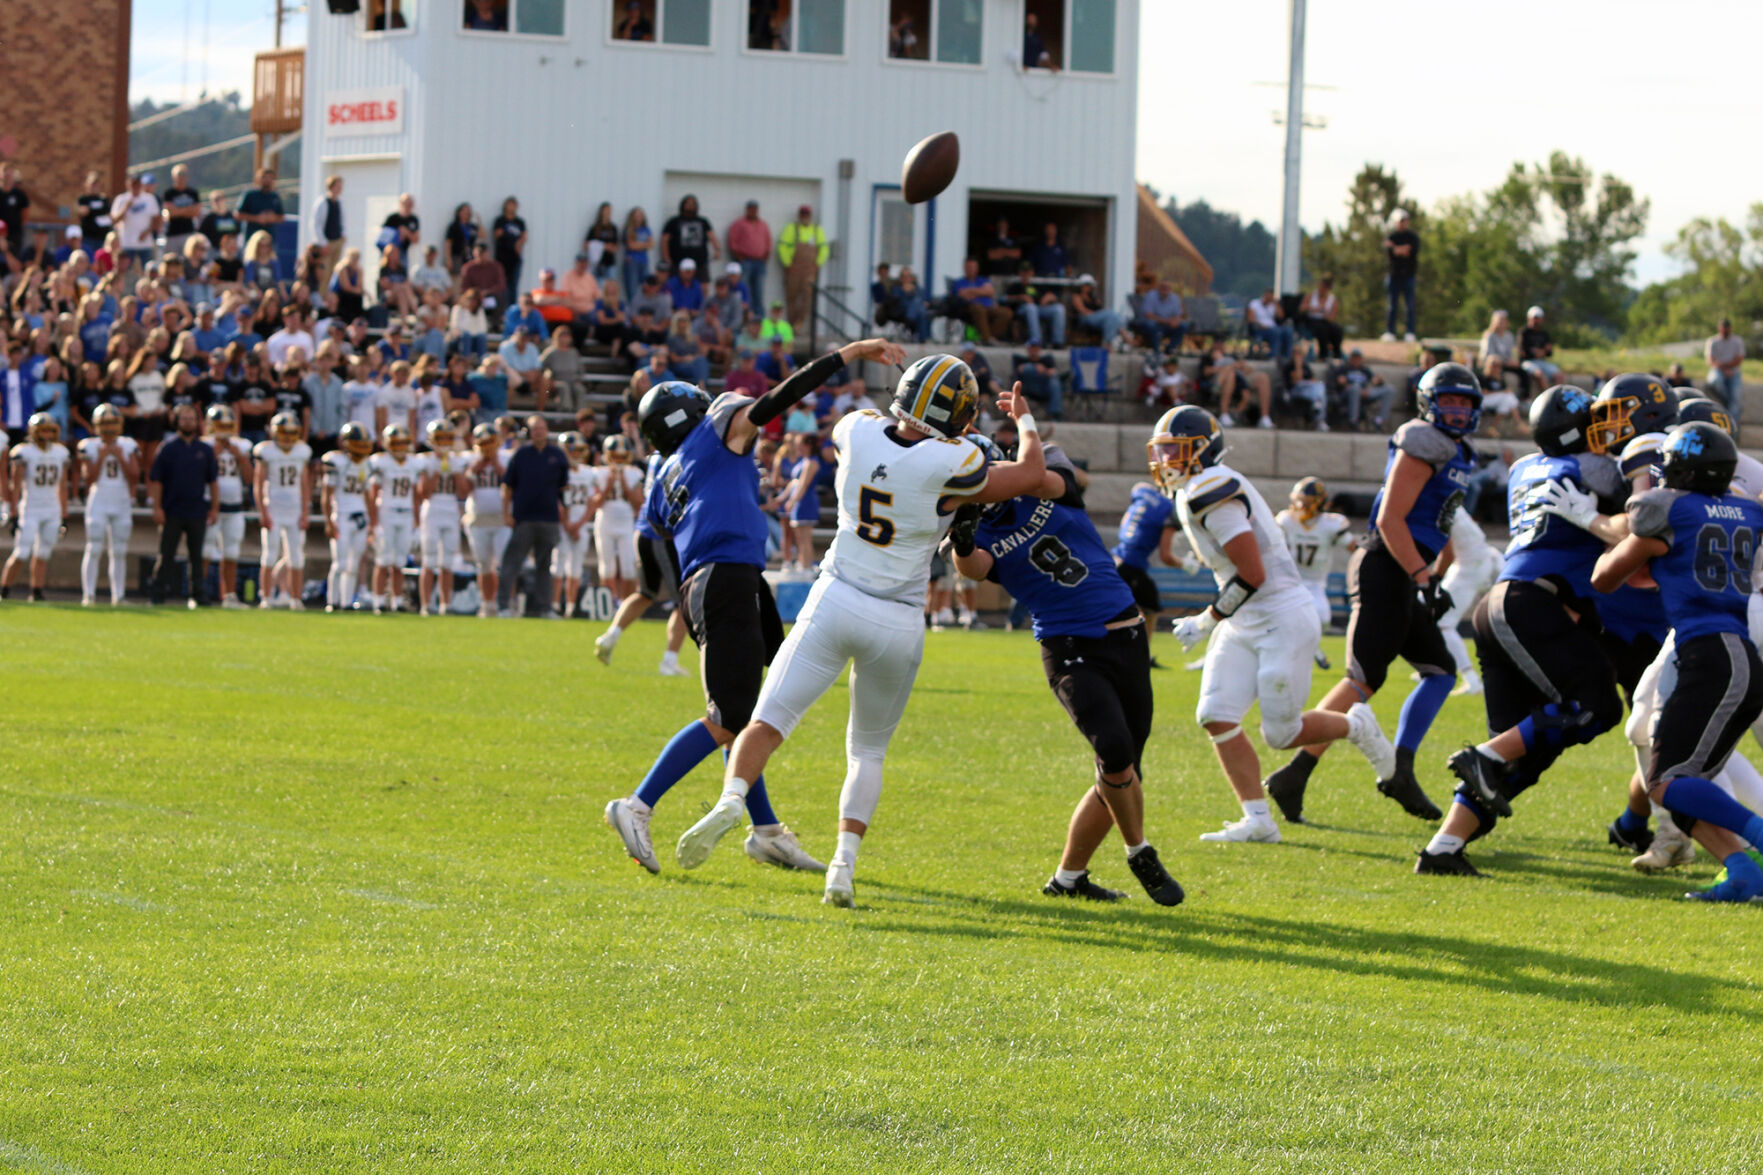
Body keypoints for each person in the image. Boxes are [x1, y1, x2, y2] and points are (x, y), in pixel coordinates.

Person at [673, 352, 1055, 907]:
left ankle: (733, 800)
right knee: (866, 752)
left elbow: (884, 442)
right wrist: (1024, 421)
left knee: (768, 720)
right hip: (896, 617)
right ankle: (842, 868)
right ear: (961, 416)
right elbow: (1032, 474)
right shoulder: (959, 460)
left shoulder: (856, 428)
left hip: (835, 598)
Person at [602, 342, 904, 879]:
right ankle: (637, 804)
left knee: (747, 710)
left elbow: (656, 552)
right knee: (729, 716)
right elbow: (777, 399)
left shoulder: (666, 473)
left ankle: (765, 832)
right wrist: (847, 354)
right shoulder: (714, 432)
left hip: (712, 582)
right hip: (727, 577)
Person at [954, 440, 1191, 905]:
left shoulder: (1044, 485)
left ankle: (1067, 880)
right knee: (1115, 751)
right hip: (1068, 646)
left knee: (1122, 770)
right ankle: (1139, 850)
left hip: (1128, 637)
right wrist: (963, 535)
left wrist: (1023, 423)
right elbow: (975, 568)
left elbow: (1049, 463)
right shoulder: (969, 523)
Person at [1145, 407, 1393, 842]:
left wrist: (1206, 620)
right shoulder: (1194, 490)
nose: (1165, 460)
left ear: (1202, 451)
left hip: (1280, 615)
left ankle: (1357, 725)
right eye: (1162, 450)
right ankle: (1258, 819)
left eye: (1174, 450)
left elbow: (1253, 574)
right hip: (1247, 619)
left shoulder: (1211, 489)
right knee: (1216, 715)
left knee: (1282, 733)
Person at [1407, 386, 1626, 875]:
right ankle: (1481, 756)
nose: (1605, 433)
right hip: (1531, 605)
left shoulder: (1526, 467)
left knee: (1528, 748)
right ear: (1573, 432)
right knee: (1598, 705)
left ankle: (1442, 849)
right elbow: (1639, 518)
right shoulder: (1589, 469)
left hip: (1501, 604)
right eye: (1594, 424)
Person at [1262, 364, 1484, 826]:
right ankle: (1295, 767)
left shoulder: (1459, 452)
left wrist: (1432, 576)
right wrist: (1423, 576)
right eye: (1450, 400)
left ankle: (1399, 767)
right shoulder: (1422, 441)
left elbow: (1439, 524)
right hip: (1386, 565)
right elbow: (1390, 520)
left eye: (1466, 402)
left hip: (1407, 570)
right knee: (1361, 680)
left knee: (1441, 672)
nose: (1458, 410)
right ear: (1428, 401)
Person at [1586, 421, 1763, 902]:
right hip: (1731, 653)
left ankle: (1758, 841)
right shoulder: (1748, 509)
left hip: (1712, 654)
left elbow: (1605, 578)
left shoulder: (1666, 508)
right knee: (1682, 782)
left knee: (1665, 783)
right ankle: (1742, 871)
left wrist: (1621, 536)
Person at [594, 448, 690, 676]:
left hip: (644, 529)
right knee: (684, 600)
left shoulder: (658, 456)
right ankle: (669, 660)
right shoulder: (679, 454)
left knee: (646, 593)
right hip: (662, 534)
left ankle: (610, 636)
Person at [1275, 477, 1355, 670]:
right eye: (1300, 500)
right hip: (1289, 580)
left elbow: (1353, 547)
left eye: (1308, 502)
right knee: (1282, 619)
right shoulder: (1286, 520)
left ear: (1321, 503)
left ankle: (1311, 648)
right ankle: (1302, 652)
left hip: (1315, 583)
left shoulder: (1331, 524)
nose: (1302, 505)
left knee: (1323, 620)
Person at [147, 403, 219, 608]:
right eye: (184, 418)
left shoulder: (204, 449)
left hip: (197, 509)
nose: (188, 422)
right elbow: (157, 480)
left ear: (198, 422)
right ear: (177, 421)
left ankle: (198, 594)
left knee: (197, 556)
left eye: (191, 418)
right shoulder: (168, 448)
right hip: (172, 510)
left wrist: (214, 507)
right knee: (166, 554)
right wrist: (157, 507)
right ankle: (158, 593)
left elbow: (213, 482)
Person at [497, 414, 568, 618]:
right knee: (512, 563)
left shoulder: (557, 455)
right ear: (529, 432)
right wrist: (506, 512)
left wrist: (564, 512)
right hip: (524, 518)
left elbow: (564, 489)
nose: (539, 432)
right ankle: (503, 605)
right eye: (535, 428)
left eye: (542, 428)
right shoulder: (521, 455)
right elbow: (507, 486)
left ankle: (545, 607)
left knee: (544, 566)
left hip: (549, 518)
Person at [1111, 479, 1183, 666]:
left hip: (1114, 559)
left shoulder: (1142, 492)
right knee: (1145, 613)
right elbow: (1166, 556)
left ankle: (1138, 656)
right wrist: (1185, 565)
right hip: (1131, 565)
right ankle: (1140, 657)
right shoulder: (1169, 509)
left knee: (1144, 610)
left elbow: (1136, 492)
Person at [1433, 508, 1504, 695]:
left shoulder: (1438, 505)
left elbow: (1447, 553)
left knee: (1442, 623)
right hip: (1486, 559)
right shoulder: (1451, 501)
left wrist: (1432, 580)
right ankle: (1433, 666)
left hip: (1471, 567)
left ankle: (1471, 679)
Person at [1, 414, 70, 602]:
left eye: (50, 430)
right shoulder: (25, 451)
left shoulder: (60, 452)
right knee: (22, 552)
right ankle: (4, 590)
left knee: (43, 552)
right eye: (43, 430)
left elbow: (63, 486)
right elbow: (15, 485)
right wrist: (14, 512)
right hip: (30, 506)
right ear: (34, 432)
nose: (47, 435)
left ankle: (36, 591)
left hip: (52, 508)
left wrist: (64, 513)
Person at [77, 405, 140, 606]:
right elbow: (89, 478)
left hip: (121, 499)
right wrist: (104, 455)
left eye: (112, 422)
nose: (109, 427)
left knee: (120, 550)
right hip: (99, 499)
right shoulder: (89, 445)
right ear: (96, 425)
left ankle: (118, 596)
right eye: (105, 423)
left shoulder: (127, 445)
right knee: (94, 547)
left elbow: (134, 476)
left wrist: (120, 456)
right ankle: (89, 595)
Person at [253, 412, 313, 610]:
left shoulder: (301, 451)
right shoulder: (267, 451)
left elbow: (305, 484)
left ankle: (296, 599)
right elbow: (259, 483)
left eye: (291, 432)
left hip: (294, 508)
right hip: (274, 507)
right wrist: (263, 511)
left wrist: (305, 512)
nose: (287, 437)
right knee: (269, 554)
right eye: (283, 432)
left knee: (296, 556)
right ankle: (266, 597)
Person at [367, 423, 423, 613]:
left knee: (399, 562)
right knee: (382, 561)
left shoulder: (413, 463)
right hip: (387, 513)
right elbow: (373, 494)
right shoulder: (380, 462)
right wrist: (374, 523)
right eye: (396, 443)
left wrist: (417, 522)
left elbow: (416, 495)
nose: (399, 448)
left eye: (402, 443)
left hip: (406, 514)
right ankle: (378, 601)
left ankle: (397, 601)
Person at [321, 422, 375, 612]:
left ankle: (346, 602)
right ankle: (332, 601)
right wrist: (328, 520)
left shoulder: (367, 464)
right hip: (341, 515)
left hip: (360, 517)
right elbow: (327, 495)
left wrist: (372, 523)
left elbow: (369, 496)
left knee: (353, 564)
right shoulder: (336, 461)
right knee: (340, 563)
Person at [464, 423, 510, 617]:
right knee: (483, 564)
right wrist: (474, 470)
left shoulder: (507, 458)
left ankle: (503, 603)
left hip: (501, 519)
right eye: (483, 443)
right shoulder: (469, 460)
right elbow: (463, 490)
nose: (487, 447)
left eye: (490, 442)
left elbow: (511, 483)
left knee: (502, 564)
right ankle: (487, 603)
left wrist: (497, 465)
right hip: (478, 518)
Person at [592, 434, 642, 605]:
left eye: (622, 455)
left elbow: (638, 504)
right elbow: (596, 502)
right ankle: (607, 603)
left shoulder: (634, 473)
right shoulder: (599, 473)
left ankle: (625, 602)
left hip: (626, 520)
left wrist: (625, 485)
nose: (618, 459)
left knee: (628, 566)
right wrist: (610, 483)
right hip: (605, 519)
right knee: (607, 566)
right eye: (615, 455)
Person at [553, 432, 598, 617]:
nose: (577, 453)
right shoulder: (558, 470)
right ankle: (554, 604)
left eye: (580, 449)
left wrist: (579, 524)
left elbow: (592, 501)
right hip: (562, 524)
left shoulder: (588, 472)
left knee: (576, 566)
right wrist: (567, 523)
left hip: (580, 524)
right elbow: (556, 498)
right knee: (558, 565)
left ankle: (571, 606)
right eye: (573, 449)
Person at [777, 204, 828, 329]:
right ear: (799, 216)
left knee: (808, 296)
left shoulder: (816, 230)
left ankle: (799, 322)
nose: (805, 217)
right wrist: (787, 263)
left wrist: (817, 263)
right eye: (803, 214)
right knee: (791, 297)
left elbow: (824, 248)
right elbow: (782, 246)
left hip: (810, 270)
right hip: (793, 268)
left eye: (807, 214)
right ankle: (791, 324)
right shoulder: (791, 228)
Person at [1329, 348, 1394, 431]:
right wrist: (1344, 383)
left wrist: (1378, 381)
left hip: (1364, 393)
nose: (1356, 360)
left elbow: (1373, 381)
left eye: (1358, 358)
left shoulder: (1364, 370)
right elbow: (1338, 382)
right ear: (1350, 358)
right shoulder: (1344, 368)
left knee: (1389, 389)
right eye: (1354, 357)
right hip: (1348, 393)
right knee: (1355, 388)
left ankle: (1379, 420)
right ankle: (1353, 421)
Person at [951, 258, 1012, 344]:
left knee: (1006, 312)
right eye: (969, 267)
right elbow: (962, 294)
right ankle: (987, 339)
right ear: (965, 268)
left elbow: (990, 292)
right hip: (970, 308)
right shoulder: (959, 282)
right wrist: (982, 291)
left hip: (989, 307)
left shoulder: (983, 280)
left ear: (977, 268)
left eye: (973, 267)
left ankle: (989, 337)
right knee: (979, 309)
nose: (971, 269)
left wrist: (970, 291)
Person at [1006, 261, 1067, 348]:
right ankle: (1037, 341)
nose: (1026, 274)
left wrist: (1051, 296)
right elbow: (1003, 298)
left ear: (1032, 272)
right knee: (1031, 308)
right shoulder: (1016, 284)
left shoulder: (1038, 283)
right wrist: (1020, 297)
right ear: (1019, 272)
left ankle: (1058, 342)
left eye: (1028, 271)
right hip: (1022, 309)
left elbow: (1052, 294)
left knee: (1059, 308)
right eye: (1023, 271)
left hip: (1040, 308)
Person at [727, 200, 772, 313]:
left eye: (755, 209)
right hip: (745, 262)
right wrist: (738, 256)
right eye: (750, 209)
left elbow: (768, 241)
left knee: (759, 292)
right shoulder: (739, 224)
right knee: (745, 291)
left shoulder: (763, 224)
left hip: (760, 263)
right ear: (747, 210)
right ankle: (746, 317)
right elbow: (733, 241)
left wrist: (766, 255)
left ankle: (760, 320)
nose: (753, 211)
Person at [1382, 210, 1419, 343]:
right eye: (1401, 221)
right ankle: (1390, 332)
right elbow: (1391, 252)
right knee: (1392, 305)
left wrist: (1397, 249)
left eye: (1405, 220)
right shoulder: (1392, 236)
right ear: (1397, 222)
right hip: (1394, 276)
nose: (1403, 223)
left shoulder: (1412, 237)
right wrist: (1402, 249)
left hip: (1409, 275)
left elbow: (1410, 251)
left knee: (1409, 305)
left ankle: (1410, 332)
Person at [110, 175, 160, 270]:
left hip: (146, 243)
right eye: (133, 185)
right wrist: (125, 207)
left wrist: (147, 232)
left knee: (148, 269)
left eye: (137, 185)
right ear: (128, 185)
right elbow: (114, 220)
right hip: (127, 243)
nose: (135, 188)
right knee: (125, 271)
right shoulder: (121, 199)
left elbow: (157, 219)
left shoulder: (149, 199)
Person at [660, 194, 718, 275]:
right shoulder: (673, 221)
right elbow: (664, 240)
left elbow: (712, 237)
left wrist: (717, 250)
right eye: (688, 204)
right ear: (683, 205)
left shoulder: (703, 221)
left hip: (700, 262)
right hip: (678, 262)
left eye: (693, 204)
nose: (690, 206)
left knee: (703, 286)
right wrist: (666, 257)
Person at [1705, 317, 1745, 426]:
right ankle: (1726, 401)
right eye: (1723, 328)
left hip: (1733, 371)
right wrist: (1724, 369)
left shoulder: (1737, 341)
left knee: (1736, 397)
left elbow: (1739, 359)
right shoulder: (1713, 341)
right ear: (1719, 328)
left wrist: (1727, 368)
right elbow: (1710, 360)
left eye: (1727, 328)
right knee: (1715, 380)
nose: (1725, 330)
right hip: (1718, 370)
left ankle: (1733, 424)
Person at [1131, 279, 1185, 355]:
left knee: (1183, 326)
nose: (1165, 289)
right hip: (1153, 324)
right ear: (1158, 288)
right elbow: (1148, 315)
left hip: (1168, 326)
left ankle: (1169, 351)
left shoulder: (1174, 298)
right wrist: (1167, 321)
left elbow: (1178, 315)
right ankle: (1156, 352)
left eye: (1167, 287)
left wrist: (1176, 321)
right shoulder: (1151, 295)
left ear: (1170, 289)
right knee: (1151, 325)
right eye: (1163, 287)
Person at [308, 175, 346, 275]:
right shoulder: (321, 203)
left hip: (337, 241)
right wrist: (323, 243)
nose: (340, 189)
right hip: (326, 244)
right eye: (338, 186)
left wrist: (342, 234)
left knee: (333, 272)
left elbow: (341, 221)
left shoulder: (339, 203)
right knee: (323, 272)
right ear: (331, 187)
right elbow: (315, 224)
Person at [1297, 276, 1342, 360]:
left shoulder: (1332, 299)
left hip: (1326, 321)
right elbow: (1301, 308)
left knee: (1337, 330)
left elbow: (1332, 317)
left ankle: (1337, 352)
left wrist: (1324, 313)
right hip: (1312, 321)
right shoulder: (1311, 296)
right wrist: (1313, 308)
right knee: (1322, 330)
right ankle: (1323, 354)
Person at [1071, 276, 1123, 346]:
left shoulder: (1093, 298)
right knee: (1111, 313)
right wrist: (1096, 314)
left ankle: (1109, 343)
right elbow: (1082, 310)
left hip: (1095, 318)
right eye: (1086, 285)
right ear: (1081, 286)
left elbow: (1100, 308)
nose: (1088, 287)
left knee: (1113, 319)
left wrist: (1096, 298)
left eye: (1089, 285)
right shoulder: (1077, 296)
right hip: (1085, 318)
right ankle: (1110, 343)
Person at [1246, 288, 1294, 362]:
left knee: (1288, 331)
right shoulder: (1254, 303)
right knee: (1276, 331)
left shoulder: (1273, 305)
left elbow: (1281, 316)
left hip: (1273, 328)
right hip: (1260, 329)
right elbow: (1251, 319)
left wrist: (1276, 304)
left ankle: (1286, 357)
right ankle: (1273, 356)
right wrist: (1261, 325)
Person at [1518, 306, 1559, 390]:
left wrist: (1539, 352)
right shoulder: (1524, 332)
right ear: (1529, 318)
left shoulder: (1544, 334)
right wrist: (1540, 352)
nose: (1536, 321)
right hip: (1528, 362)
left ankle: (1557, 397)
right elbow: (1523, 352)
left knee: (1559, 375)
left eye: (1538, 318)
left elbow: (1549, 352)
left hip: (1542, 362)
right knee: (1539, 374)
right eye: (1534, 318)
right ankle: (1548, 398)